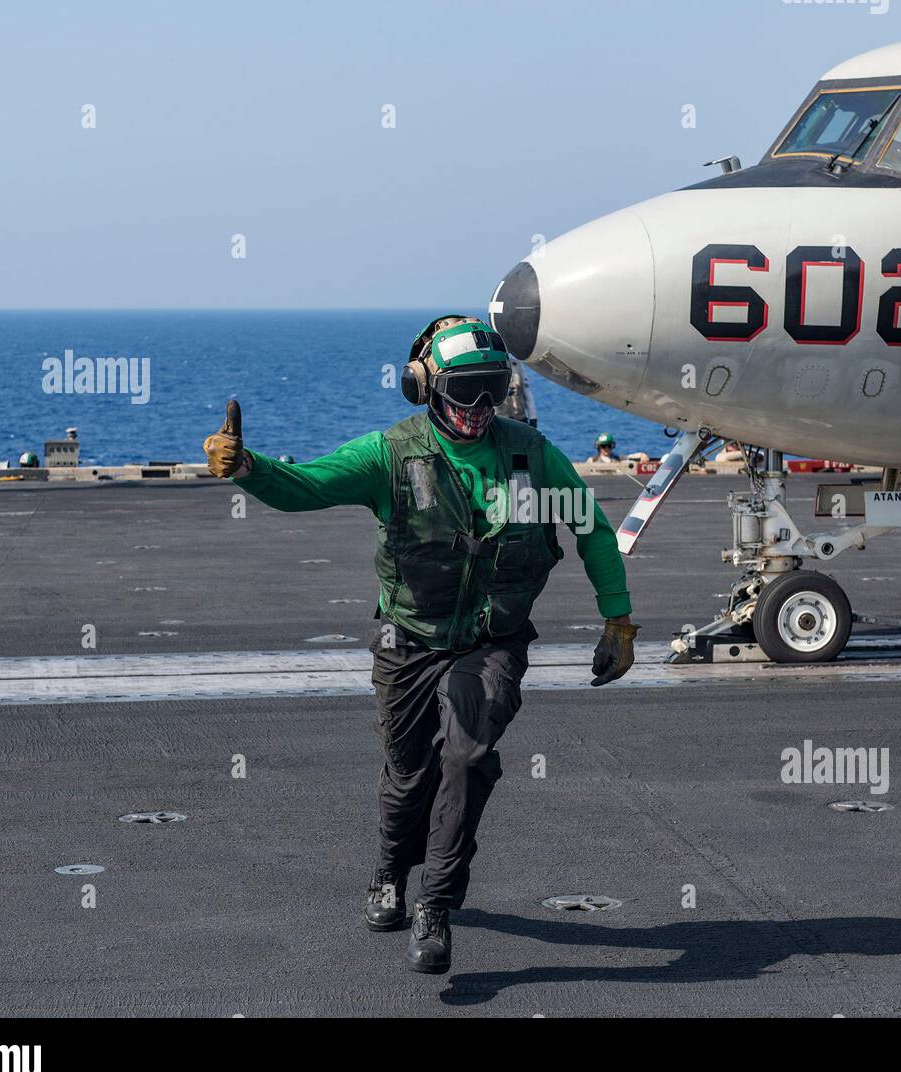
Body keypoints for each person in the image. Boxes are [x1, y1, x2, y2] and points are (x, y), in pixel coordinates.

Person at [202, 315, 639, 975]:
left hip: (490, 645)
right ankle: (388, 870)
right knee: (408, 775)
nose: (478, 407)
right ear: (424, 387)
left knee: (464, 755)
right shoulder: (391, 455)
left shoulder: (531, 456)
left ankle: (435, 907)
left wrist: (618, 622)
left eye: (491, 388)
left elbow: (594, 532)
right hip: (407, 640)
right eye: (463, 390)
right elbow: (309, 488)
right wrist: (248, 469)